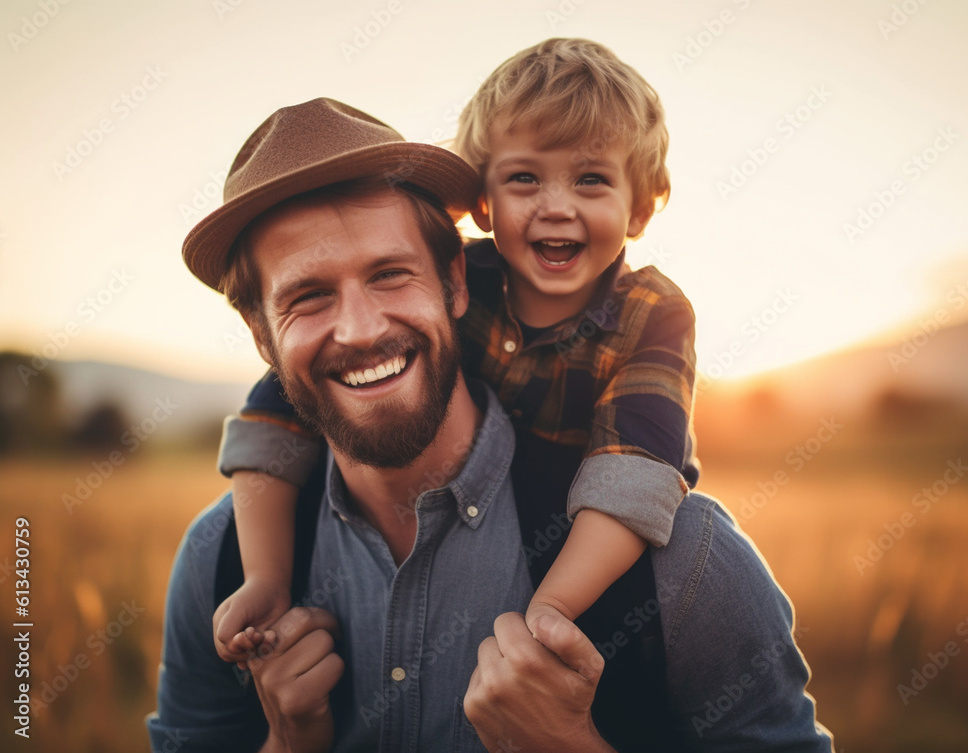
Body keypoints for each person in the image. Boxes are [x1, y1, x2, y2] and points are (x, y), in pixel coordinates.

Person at [146, 96, 834, 751]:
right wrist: (286, 744)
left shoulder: (680, 562)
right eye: (308, 296)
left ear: (456, 280)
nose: (359, 329)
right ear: (261, 334)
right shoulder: (218, 561)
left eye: (389, 274)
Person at [213, 37, 699, 668]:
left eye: (592, 179)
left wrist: (549, 608)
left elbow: (635, 474)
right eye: (525, 178)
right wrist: (265, 578)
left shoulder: (651, 315)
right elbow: (277, 412)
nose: (557, 206)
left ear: (641, 206)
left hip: (585, 533)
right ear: (483, 205)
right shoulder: (449, 281)